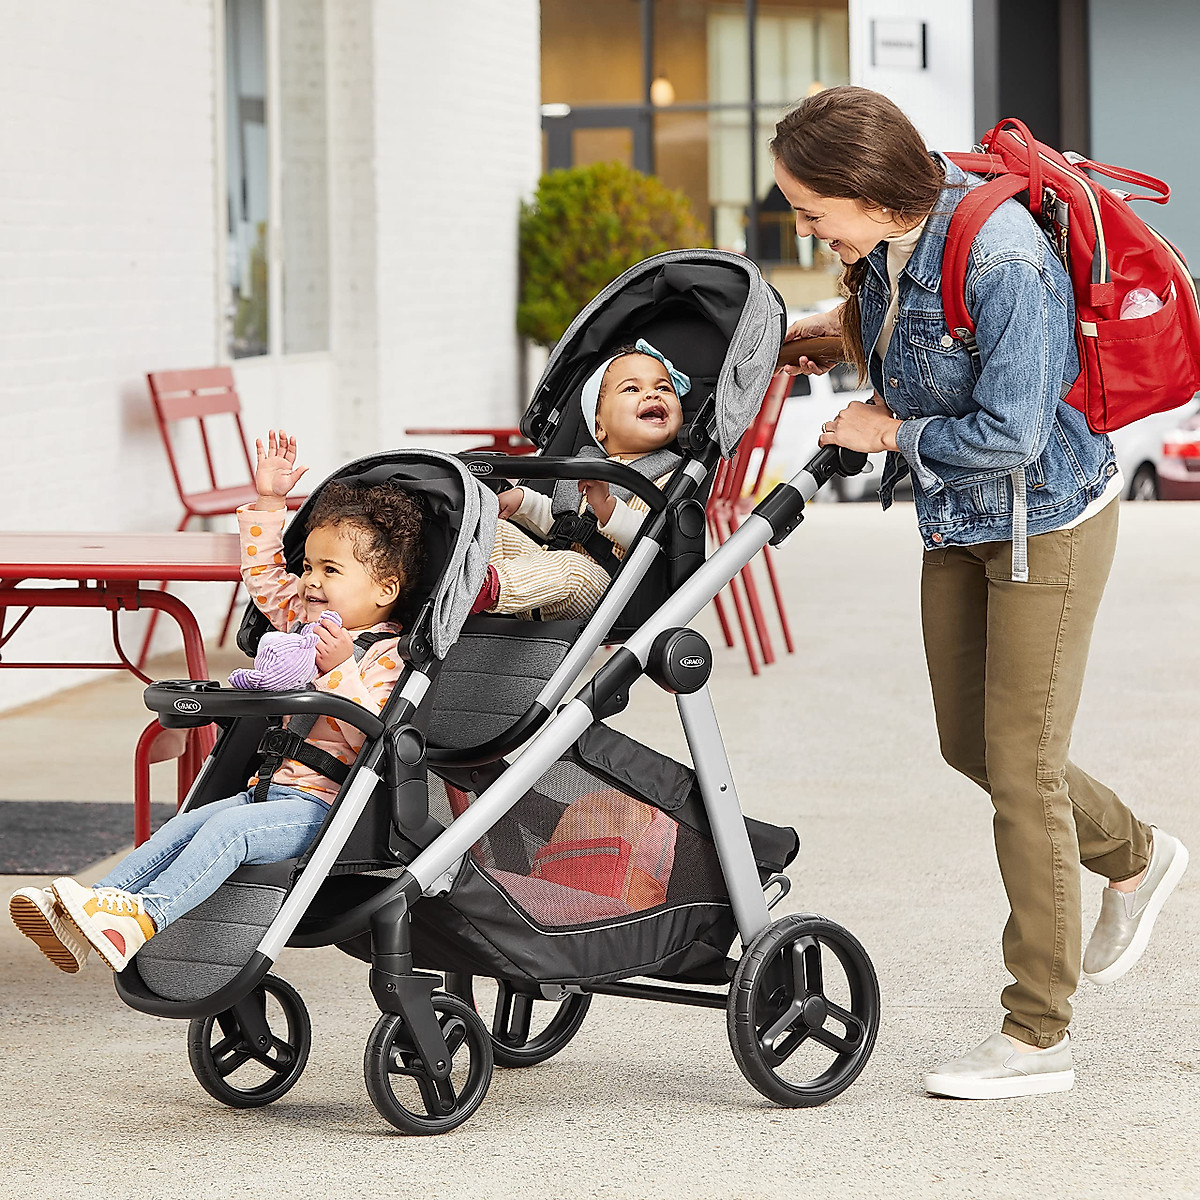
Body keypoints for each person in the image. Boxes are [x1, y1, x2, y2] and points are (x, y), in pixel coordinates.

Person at [772, 86, 1188, 1100]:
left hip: (1046, 519)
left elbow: (1013, 433)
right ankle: (1135, 854)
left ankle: (1037, 1034)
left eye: (814, 212)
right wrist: (830, 333)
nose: (807, 229)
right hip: (959, 521)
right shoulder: (891, 239)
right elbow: (918, 327)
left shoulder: (1004, 259)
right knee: (971, 742)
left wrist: (888, 432)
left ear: (870, 192)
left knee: (1022, 773)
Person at [9, 430, 425, 975]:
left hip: (326, 811)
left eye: (331, 570)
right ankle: (88, 910)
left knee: (226, 833)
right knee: (184, 827)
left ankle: (143, 917)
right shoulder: (301, 625)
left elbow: (373, 733)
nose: (310, 581)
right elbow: (265, 577)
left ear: (386, 589)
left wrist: (341, 670)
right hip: (267, 791)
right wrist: (270, 503)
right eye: (309, 566)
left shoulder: (389, 655)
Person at [472, 339, 685, 620]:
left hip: (607, 589)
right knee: (493, 529)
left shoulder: (669, 477)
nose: (652, 395)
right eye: (632, 389)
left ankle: (486, 588)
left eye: (664, 388)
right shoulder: (586, 467)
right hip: (542, 583)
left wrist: (607, 508)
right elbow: (563, 522)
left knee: (571, 567)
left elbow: (657, 539)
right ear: (599, 426)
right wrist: (524, 502)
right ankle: (463, 587)